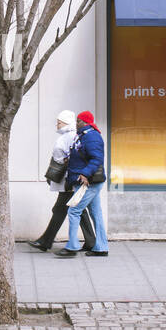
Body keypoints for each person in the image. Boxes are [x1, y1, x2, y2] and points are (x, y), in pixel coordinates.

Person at [28, 109, 95, 252]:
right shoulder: (74, 135)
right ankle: (91, 241)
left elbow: (65, 156)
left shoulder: (67, 137)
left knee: (59, 209)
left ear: (66, 123)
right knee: (78, 210)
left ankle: (46, 241)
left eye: (59, 122)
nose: (57, 125)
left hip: (68, 180)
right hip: (72, 179)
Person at [56, 111, 109, 257]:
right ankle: (101, 247)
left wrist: (85, 173)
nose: (76, 123)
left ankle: (72, 247)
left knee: (74, 211)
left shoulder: (91, 136)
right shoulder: (84, 135)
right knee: (96, 213)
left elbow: (97, 158)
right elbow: (82, 155)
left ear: (85, 122)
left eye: (78, 121)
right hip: (86, 182)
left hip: (89, 182)